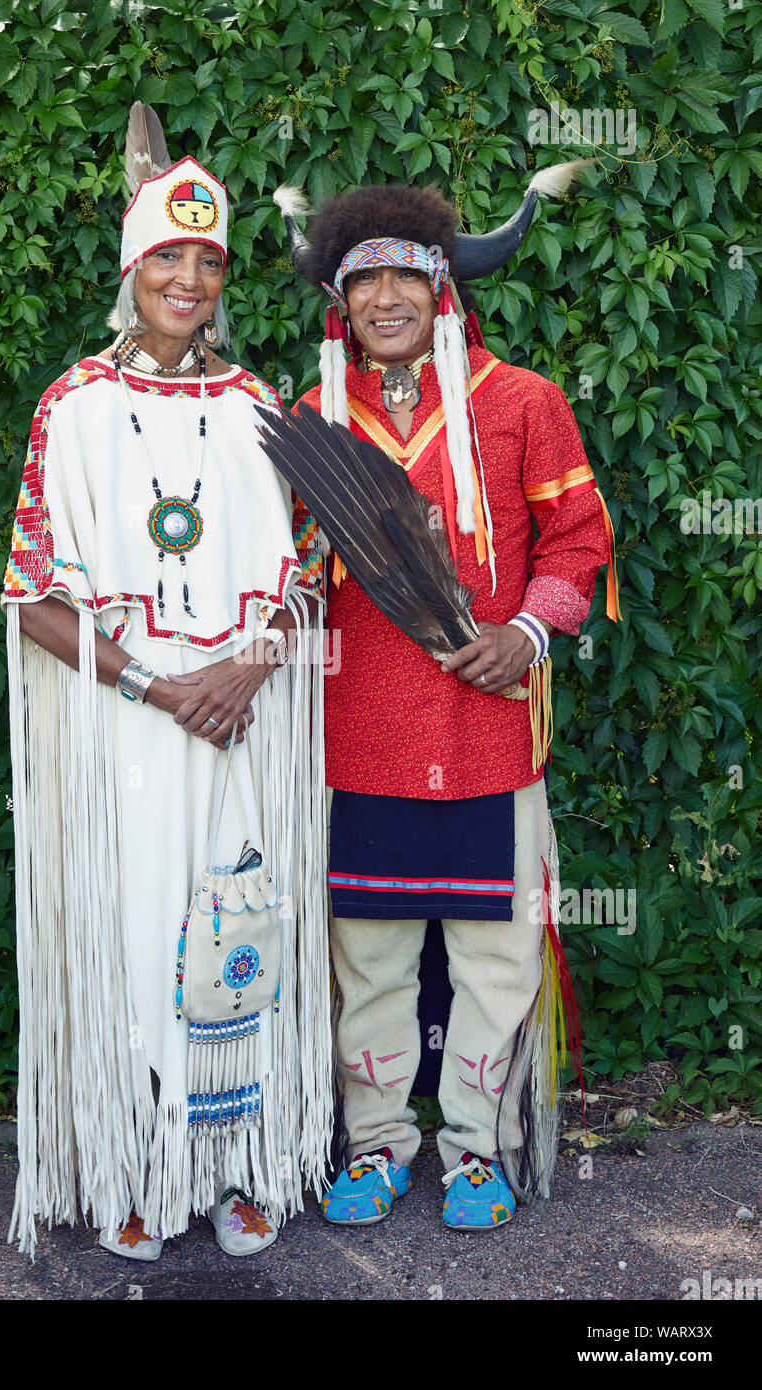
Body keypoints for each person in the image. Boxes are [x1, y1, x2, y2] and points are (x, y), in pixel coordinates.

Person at [0, 108, 331, 1262]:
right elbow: (34, 594)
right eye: (167, 258)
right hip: (123, 732)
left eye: (207, 261)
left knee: (237, 927)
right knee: (139, 937)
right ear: (132, 267)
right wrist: (156, 683)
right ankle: (140, 1169)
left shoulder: (256, 410)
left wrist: (241, 669)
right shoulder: (73, 406)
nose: (187, 278)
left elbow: (304, 582)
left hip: (239, 723)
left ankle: (239, 1168)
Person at [274, 172, 620, 1231]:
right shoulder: (309, 422)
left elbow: (580, 539)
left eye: (405, 277)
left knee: (495, 952)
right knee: (368, 952)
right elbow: (274, 572)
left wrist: (526, 631)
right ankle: (377, 1141)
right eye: (364, 279)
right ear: (341, 300)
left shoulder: (522, 402)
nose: (386, 298)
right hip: (359, 735)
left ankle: (480, 1146)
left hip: (488, 732)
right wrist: (301, 569)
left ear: (442, 289)